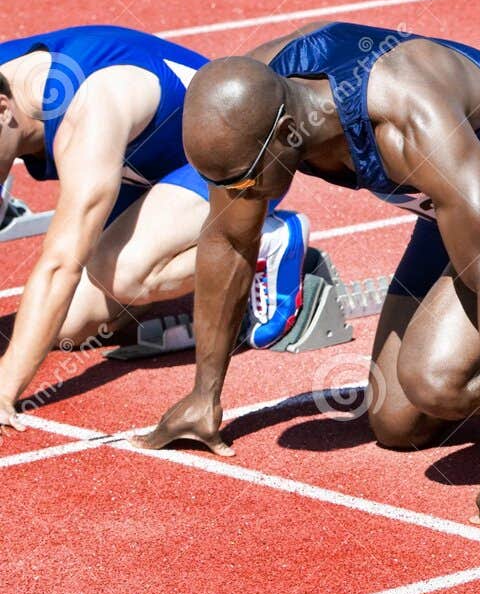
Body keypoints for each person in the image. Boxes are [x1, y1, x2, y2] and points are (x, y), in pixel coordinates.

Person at [136, 22, 480, 544]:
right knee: (396, 422)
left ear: (284, 131)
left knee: (438, 382)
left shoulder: (407, 116)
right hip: (452, 198)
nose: (235, 194)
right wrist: (204, 393)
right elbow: (229, 241)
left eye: (243, 180)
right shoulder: (245, 101)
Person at [0, 24, 307, 433]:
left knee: (123, 272)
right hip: (140, 164)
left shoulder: (90, 109)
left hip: (236, 157)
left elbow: (61, 264)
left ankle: (260, 237)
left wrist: (5, 388)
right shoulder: (10, 78)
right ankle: (167, 252)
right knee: (69, 326)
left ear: (3, 110)